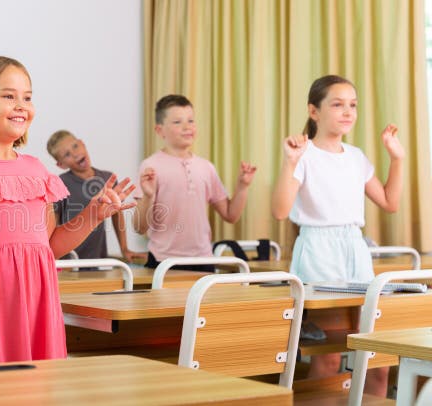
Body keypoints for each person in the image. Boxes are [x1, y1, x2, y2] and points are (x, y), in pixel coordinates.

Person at [0, 56, 135, 366]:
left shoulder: (36, 169)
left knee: (37, 384)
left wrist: (93, 215)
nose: (21, 106)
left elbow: (50, 246)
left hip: (37, 302)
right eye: (8, 96)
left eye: (27, 97)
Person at [272, 75, 403, 396]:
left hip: (355, 249)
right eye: (337, 104)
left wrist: (397, 158)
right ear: (313, 111)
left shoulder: (356, 156)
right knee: (329, 358)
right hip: (318, 252)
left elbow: (390, 202)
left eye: (353, 105)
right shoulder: (303, 154)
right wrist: (290, 163)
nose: (347, 112)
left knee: (377, 360)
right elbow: (279, 211)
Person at [132, 94, 257, 271]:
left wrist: (243, 186)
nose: (187, 127)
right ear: (159, 130)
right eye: (177, 122)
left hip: (203, 260)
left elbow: (231, 215)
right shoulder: (150, 167)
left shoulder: (206, 167)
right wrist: (147, 196)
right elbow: (139, 228)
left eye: (191, 121)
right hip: (164, 261)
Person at [46, 129, 146, 261]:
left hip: (98, 258)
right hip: (68, 262)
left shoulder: (107, 179)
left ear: (82, 143)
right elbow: (53, 224)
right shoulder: (59, 184)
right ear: (61, 165)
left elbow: (116, 213)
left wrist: (124, 248)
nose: (75, 154)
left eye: (75, 146)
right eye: (67, 154)